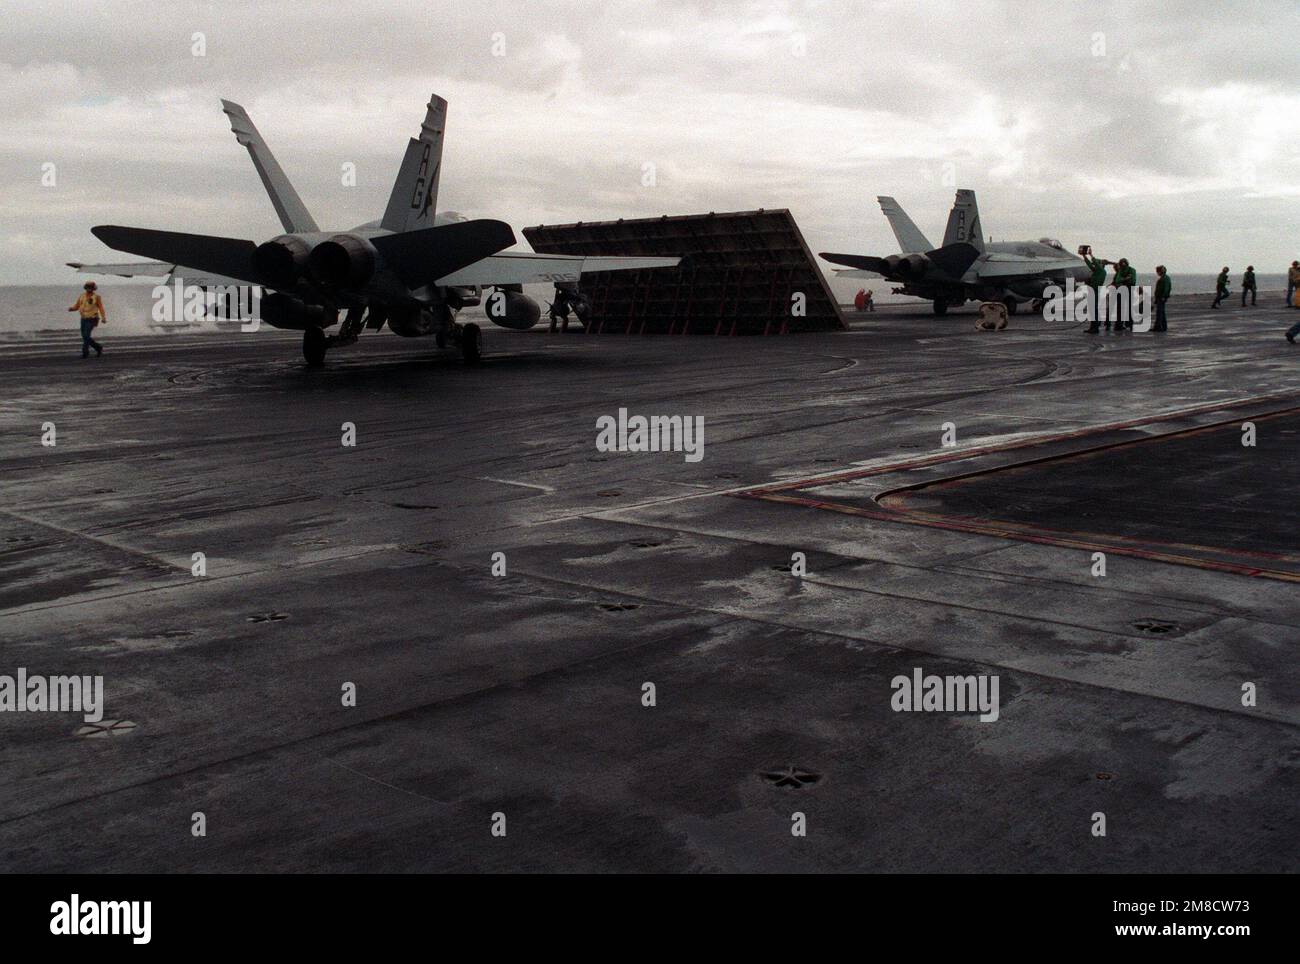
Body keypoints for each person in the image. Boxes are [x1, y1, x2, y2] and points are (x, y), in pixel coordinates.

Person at [68, 281, 106, 357]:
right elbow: (77, 306)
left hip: (93, 318)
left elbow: (101, 308)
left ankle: (85, 353)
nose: (89, 289)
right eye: (88, 287)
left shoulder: (97, 297)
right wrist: (72, 309)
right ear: (85, 287)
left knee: (86, 335)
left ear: (93, 288)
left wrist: (103, 317)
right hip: (83, 319)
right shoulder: (82, 296)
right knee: (85, 336)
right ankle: (98, 347)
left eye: (91, 287)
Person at [1082, 248, 1110, 332]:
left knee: (1093, 309)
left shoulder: (1101, 270)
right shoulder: (1097, 271)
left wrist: (1090, 254)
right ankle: (1093, 327)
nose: (1094, 265)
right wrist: (1084, 256)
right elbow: (1090, 264)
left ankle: (1095, 327)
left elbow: (1094, 264)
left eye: (1097, 264)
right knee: (1092, 309)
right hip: (1092, 290)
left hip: (1094, 291)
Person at [1112, 257, 1137, 330]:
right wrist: (1125, 279)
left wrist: (1122, 281)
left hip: (1127, 289)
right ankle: (1124, 324)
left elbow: (1132, 280)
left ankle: (1124, 324)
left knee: (1124, 308)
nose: (1123, 266)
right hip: (1124, 289)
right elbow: (1117, 280)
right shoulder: (1124, 271)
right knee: (1122, 308)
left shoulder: (1130, 270)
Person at [1153, 265, 1171, 332]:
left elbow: (1166, 288)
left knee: (1159, 312)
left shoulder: (1164, 278)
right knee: (1161, 312)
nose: (1157, 273)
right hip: (1160, 297)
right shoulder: (1165, 278)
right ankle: (1163, 327)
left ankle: (1159, 327)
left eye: (1158, 271)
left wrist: (1163, 296)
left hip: (1161, 297)